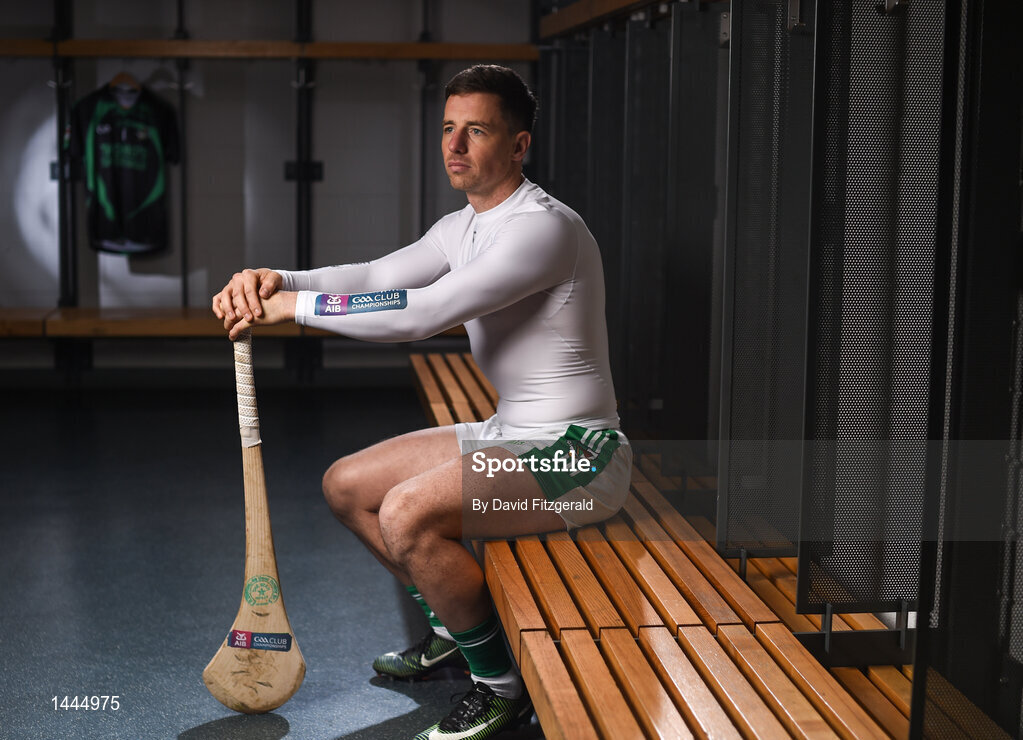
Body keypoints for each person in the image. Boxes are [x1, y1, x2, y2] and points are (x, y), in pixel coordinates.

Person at [212, 64, 631, 740]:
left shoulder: (543, 229)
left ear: (519, 145)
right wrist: (278, 278)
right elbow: (378, 276)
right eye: (446, 129)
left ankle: (500, 685)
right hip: (512, 433)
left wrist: (294, 309)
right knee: (348, 486)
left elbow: (421, 312)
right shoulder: (461, 226)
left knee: (407, 513)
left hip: (580, 458)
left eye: (476, 131)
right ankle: (450, 631)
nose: (454, 146)